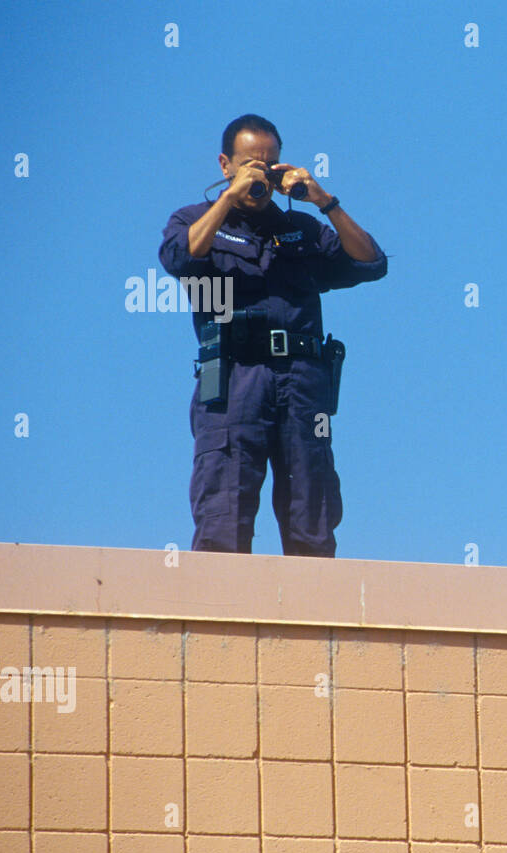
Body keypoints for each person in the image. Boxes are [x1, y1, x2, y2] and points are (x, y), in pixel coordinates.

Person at [159, 114, 387, 556]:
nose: (259, 173)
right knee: (223, 516)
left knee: (312, 513)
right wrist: (228, 199)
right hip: (232, 380)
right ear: (225, 164)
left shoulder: (301, 230)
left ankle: (313, 617)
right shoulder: (196, 220)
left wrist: (323, 201)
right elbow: (178, 258)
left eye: (269, 164)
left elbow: (371, 263)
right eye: (250, 164)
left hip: (302, 381)